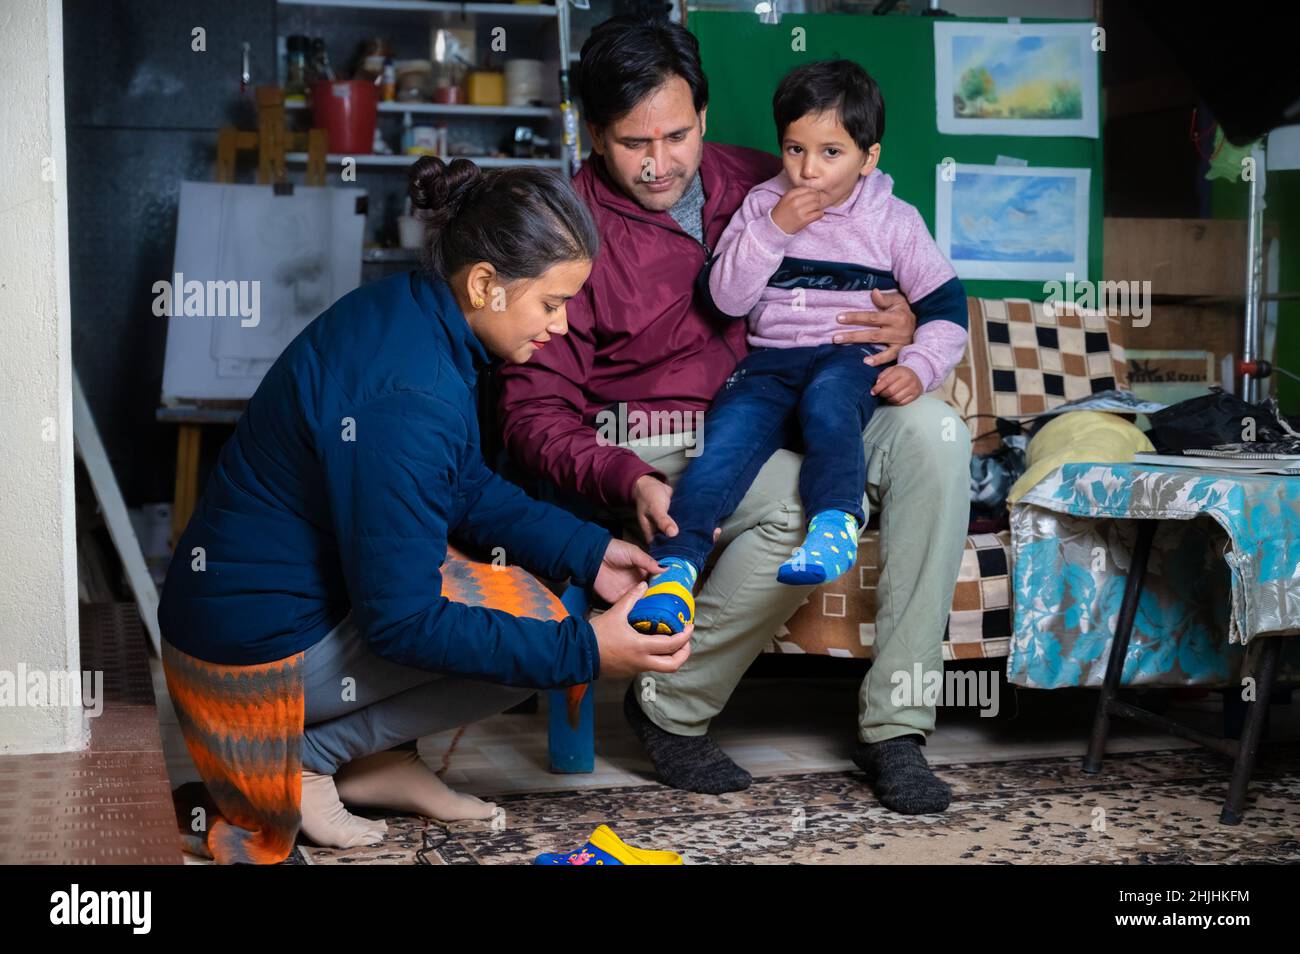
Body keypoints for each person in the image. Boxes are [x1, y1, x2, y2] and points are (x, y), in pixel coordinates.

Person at [499, 17, 971, 814]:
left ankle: (897, 726)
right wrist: (628, 475)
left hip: (816, 400)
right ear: (592, 134)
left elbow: (915, 276)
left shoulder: (775, 176)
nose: (659, 163)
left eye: (677, 135)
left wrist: (909, 329)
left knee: (938, 435)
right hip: (662, 442)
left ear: (705, 117)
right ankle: (670, 708)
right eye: (631, 143)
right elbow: (531, 412)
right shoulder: (562, 229)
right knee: (805, 503)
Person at [157, 158, 687, 862]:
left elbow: (461, 484)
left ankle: (372, 762)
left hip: (243, 625)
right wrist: (590, 650)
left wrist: (589, 550)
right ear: (484, 285)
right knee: (543, 636)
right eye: (552, 302)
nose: (562, 326)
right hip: (246, 666)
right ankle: (306, 758)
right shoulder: (412, 393)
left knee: (528, 610)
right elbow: (399, 622)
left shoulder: (413, 312)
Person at [627, 59, 968, 636]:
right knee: (721, 442)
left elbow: (946, 311)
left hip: (845, 357)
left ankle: (834, 521)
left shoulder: (894, 223)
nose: (808, 170)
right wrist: (773, 231)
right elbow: (728, 300)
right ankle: (673, 571)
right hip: (769, 363)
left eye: (831, 153)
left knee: (829, 404)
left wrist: (919, 363)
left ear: (870, 156)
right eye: (794, 150)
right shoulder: (763, 206)